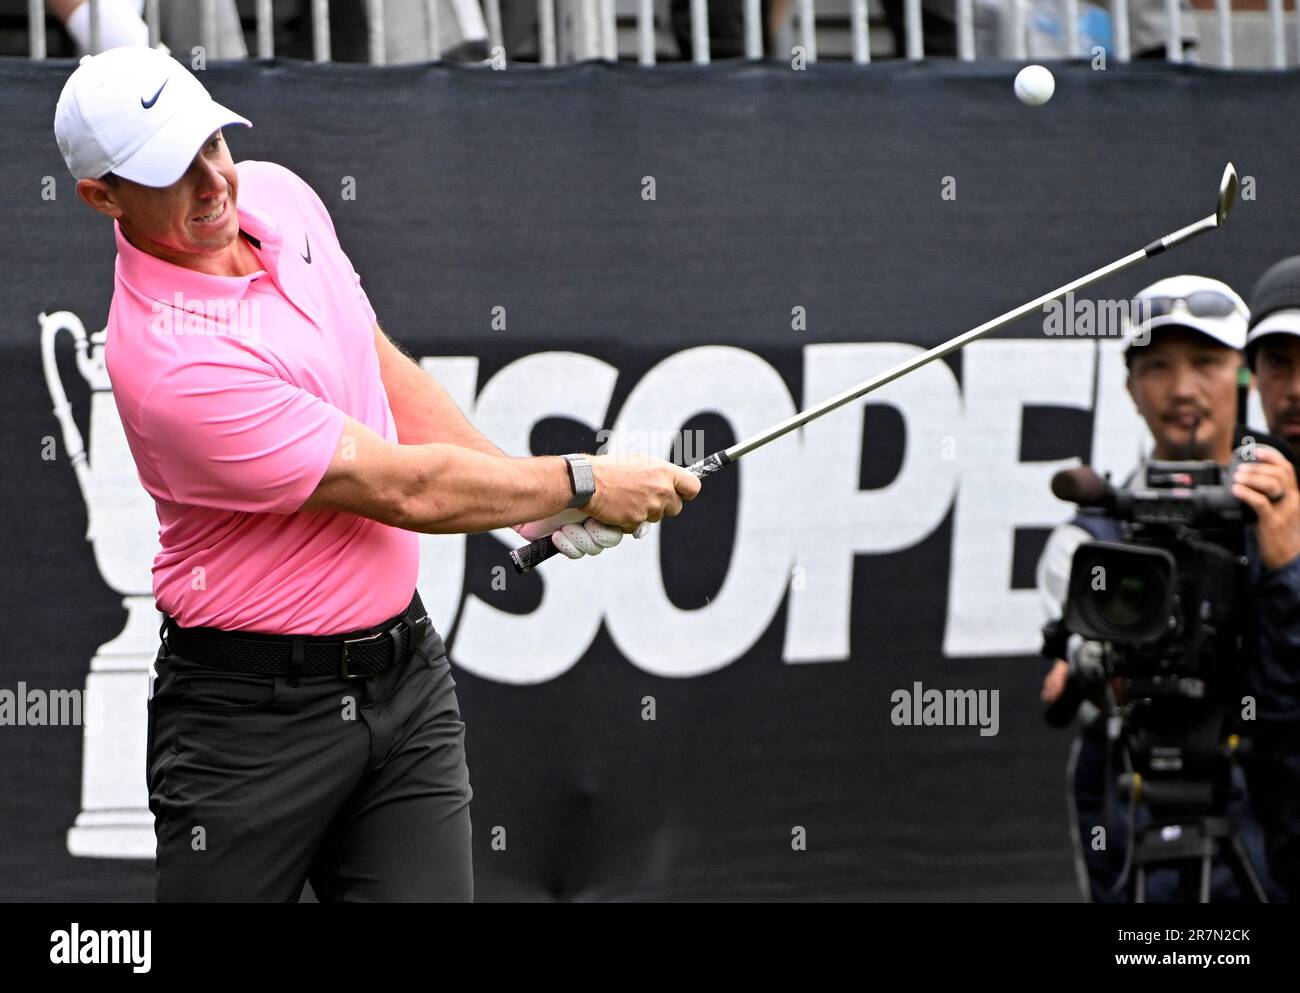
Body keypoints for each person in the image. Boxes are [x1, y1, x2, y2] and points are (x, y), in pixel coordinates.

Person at [54, 46, 700, 902]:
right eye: (174, 169)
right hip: (247, 725)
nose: (215, 181)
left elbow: (383, 372)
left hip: (404, 685)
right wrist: (581, 482)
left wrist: (518, 502)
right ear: (102, 196)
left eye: (213, 140)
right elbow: (404, 487)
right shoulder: (171, 369)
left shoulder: (278, 195)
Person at [1037, 275, 1299, 901]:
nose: (1183, 389)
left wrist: (1287, 567)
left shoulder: (1288, 507)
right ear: (1129, 388)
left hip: (1274, 810)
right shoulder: (1087, 542)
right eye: (1157, 367)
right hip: (1139, 800)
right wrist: (1089, 665)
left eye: (1206, 362)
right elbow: (1082, 680)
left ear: (1243, 377)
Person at [1238, 256, 1300, 898]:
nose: (1297, 387)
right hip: (1248, 843)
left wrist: (1290, 574)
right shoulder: (1232, 496)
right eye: (1278, 362)